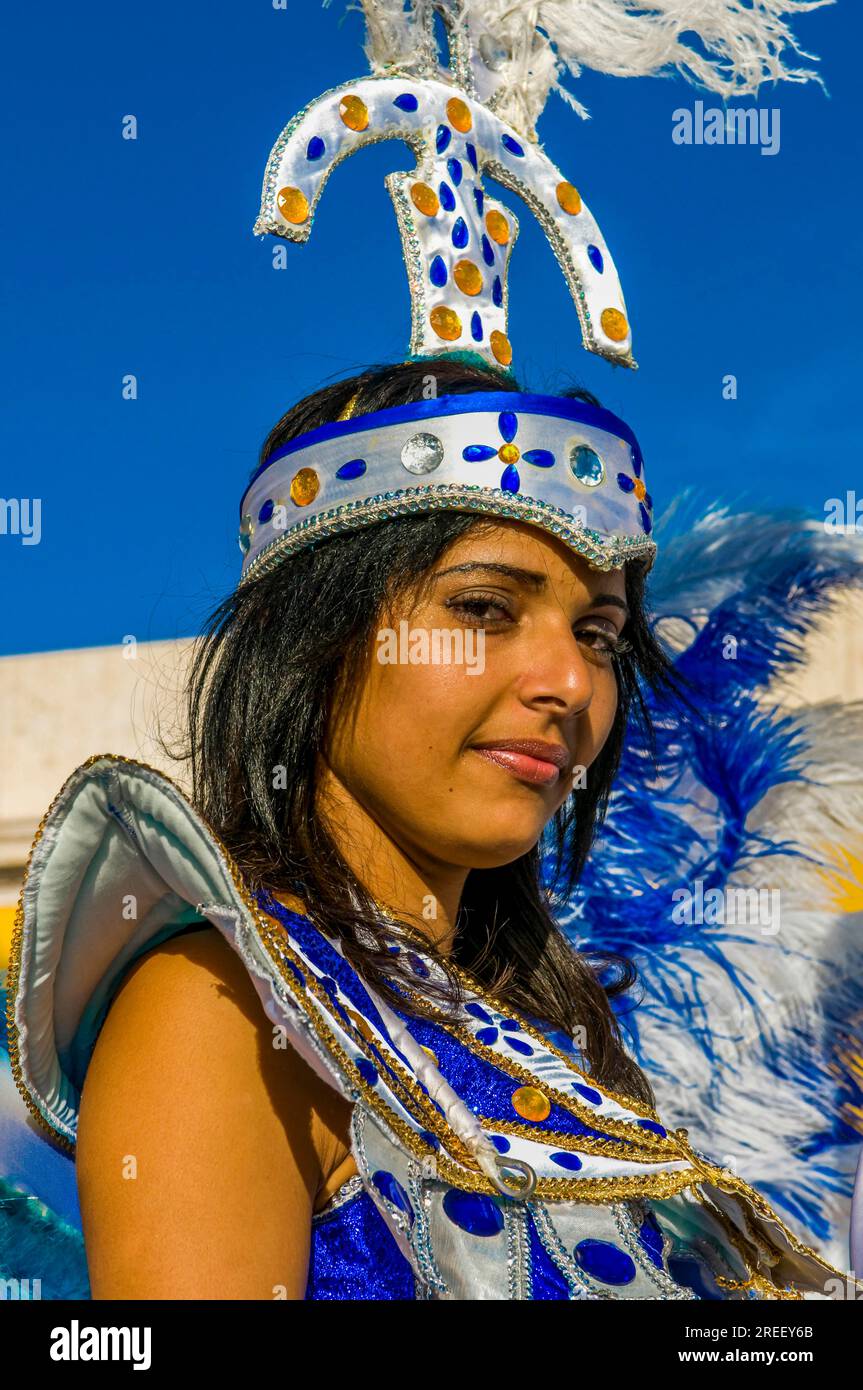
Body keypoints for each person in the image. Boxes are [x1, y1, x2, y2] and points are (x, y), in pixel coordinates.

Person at [4, 0, 862, 1304]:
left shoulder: (562, 1053)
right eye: (481, 608)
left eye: (595, 633)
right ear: (321, 638)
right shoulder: (223, 1005)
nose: (567, 683)